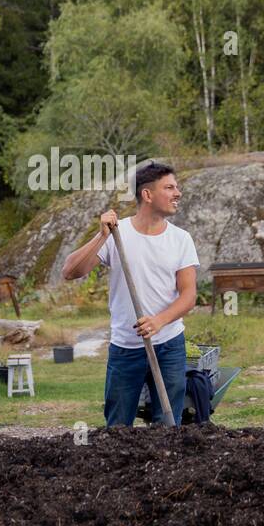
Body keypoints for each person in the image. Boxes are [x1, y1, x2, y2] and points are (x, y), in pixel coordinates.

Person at [61, 162, 200, 426]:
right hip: (125, 348)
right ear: (147, 195)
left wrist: (158, 321)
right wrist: (101, 236)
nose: (177, 193)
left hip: (169, 345)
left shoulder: (181, 239)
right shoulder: (117, 234)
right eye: (169, 187)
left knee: (168, 427)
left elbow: (188, 295)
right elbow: (71, 271)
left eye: (177, 187)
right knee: (117, 426)